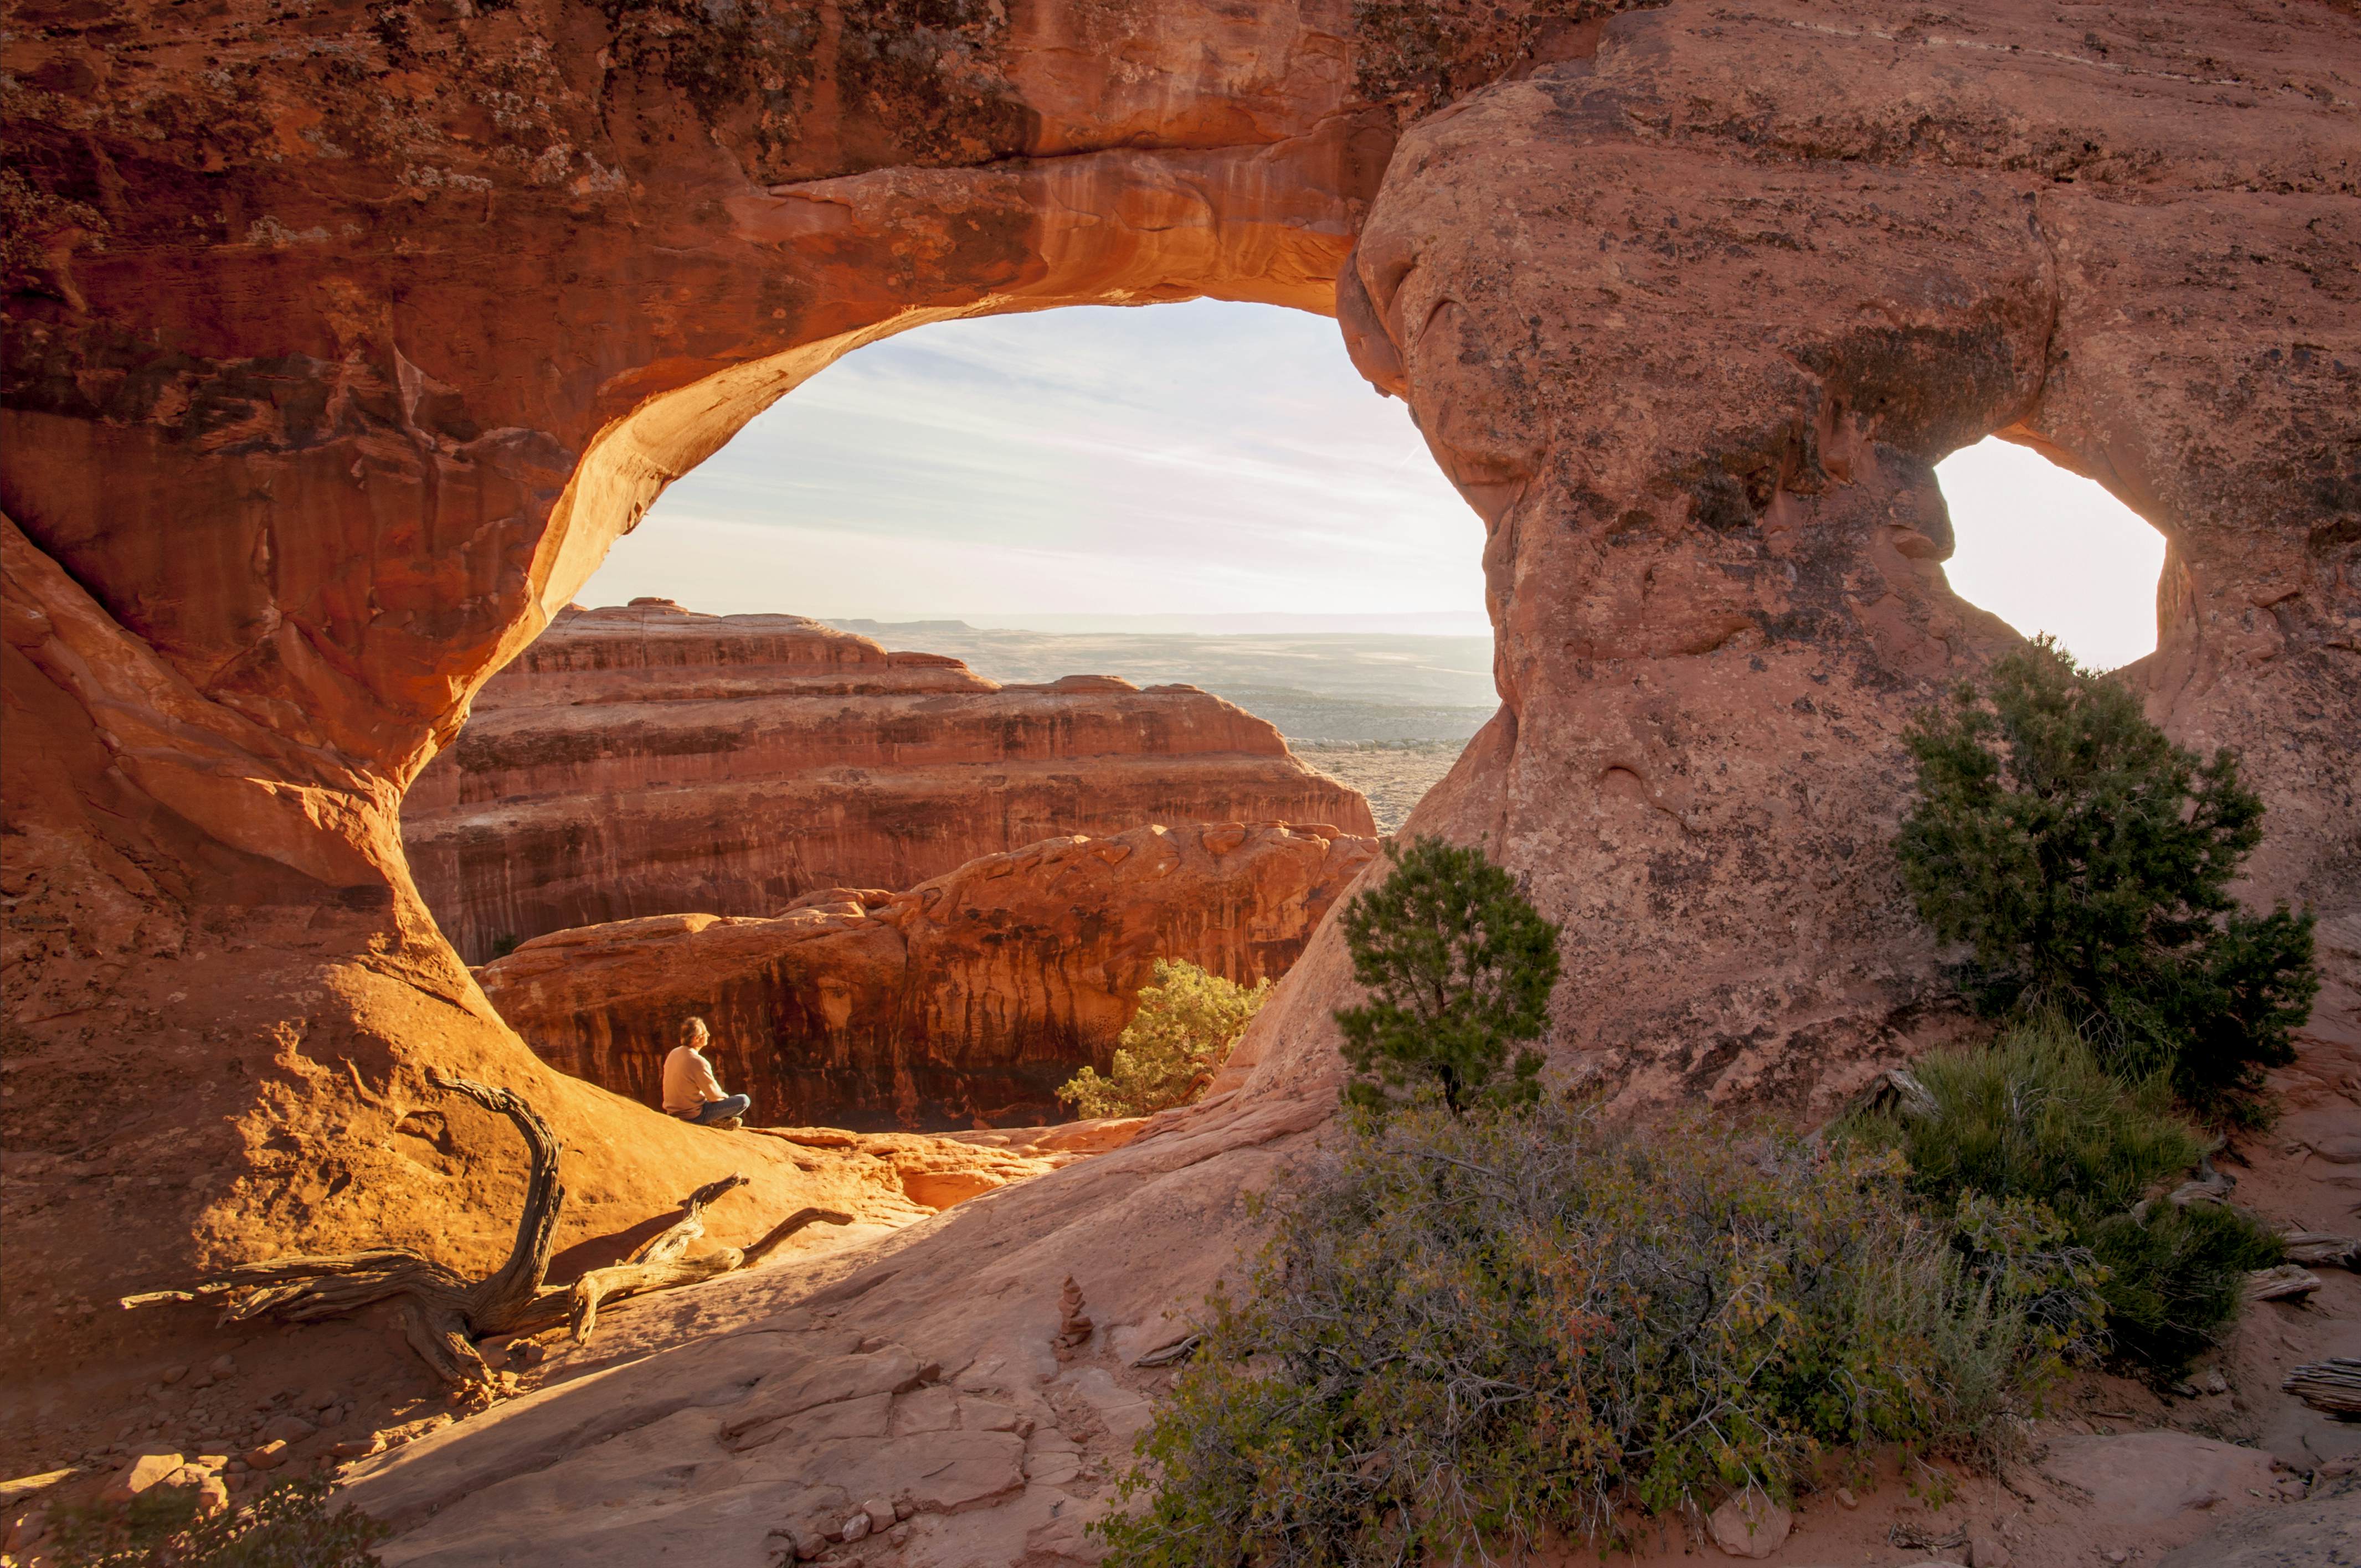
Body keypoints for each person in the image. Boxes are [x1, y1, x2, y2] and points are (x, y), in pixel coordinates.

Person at [662, 1017, 750, 1129]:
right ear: (695, 1038)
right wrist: (726, 1101)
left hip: (672, 1111)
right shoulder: (698, 1061)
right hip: (693, 1116)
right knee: (743, 1100)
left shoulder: (674, 1053)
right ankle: (718, 1120)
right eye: (705, 1033)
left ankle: (719, 1120)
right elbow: (715, 1096)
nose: (708, 1035)